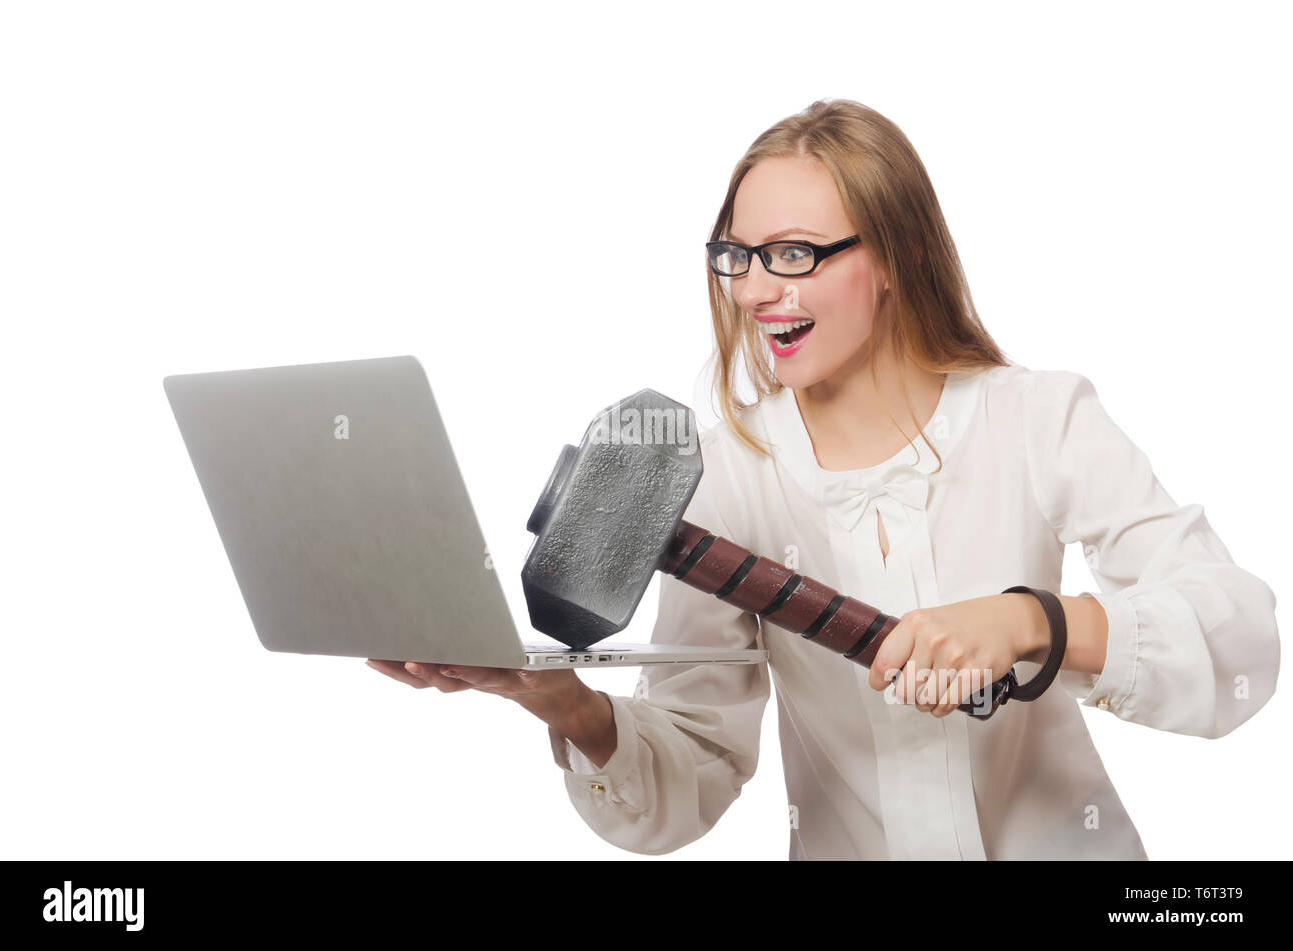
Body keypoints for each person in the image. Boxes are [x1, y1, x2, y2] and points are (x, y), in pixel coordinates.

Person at [367, 99, 1279, 859]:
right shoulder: (721, 477)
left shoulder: (1038, 418)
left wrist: (1029, 621)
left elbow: (1241, 643)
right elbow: (694, 768)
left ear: (893, 259)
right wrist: (574, 711)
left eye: (795, 253)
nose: (758, 289)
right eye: (738, 254)